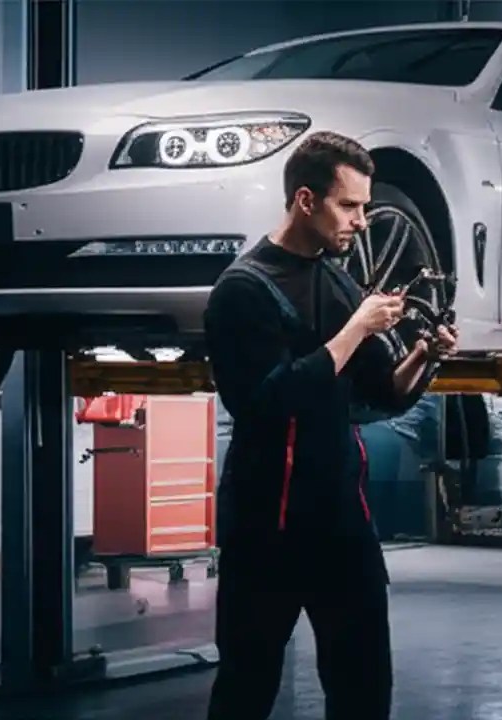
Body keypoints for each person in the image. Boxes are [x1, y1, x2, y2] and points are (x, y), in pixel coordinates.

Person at [202, 130, 458, 720]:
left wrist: (426, 356)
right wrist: (356, 330)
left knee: (365, 686)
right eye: (350, 206)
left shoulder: (339, 279)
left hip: (343, 525)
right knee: (246, 687)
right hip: (267, 529)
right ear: (306, 202)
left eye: (366, 207)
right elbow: (266, 403)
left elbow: (381, 393)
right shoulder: (242, 291)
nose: (362, 221)